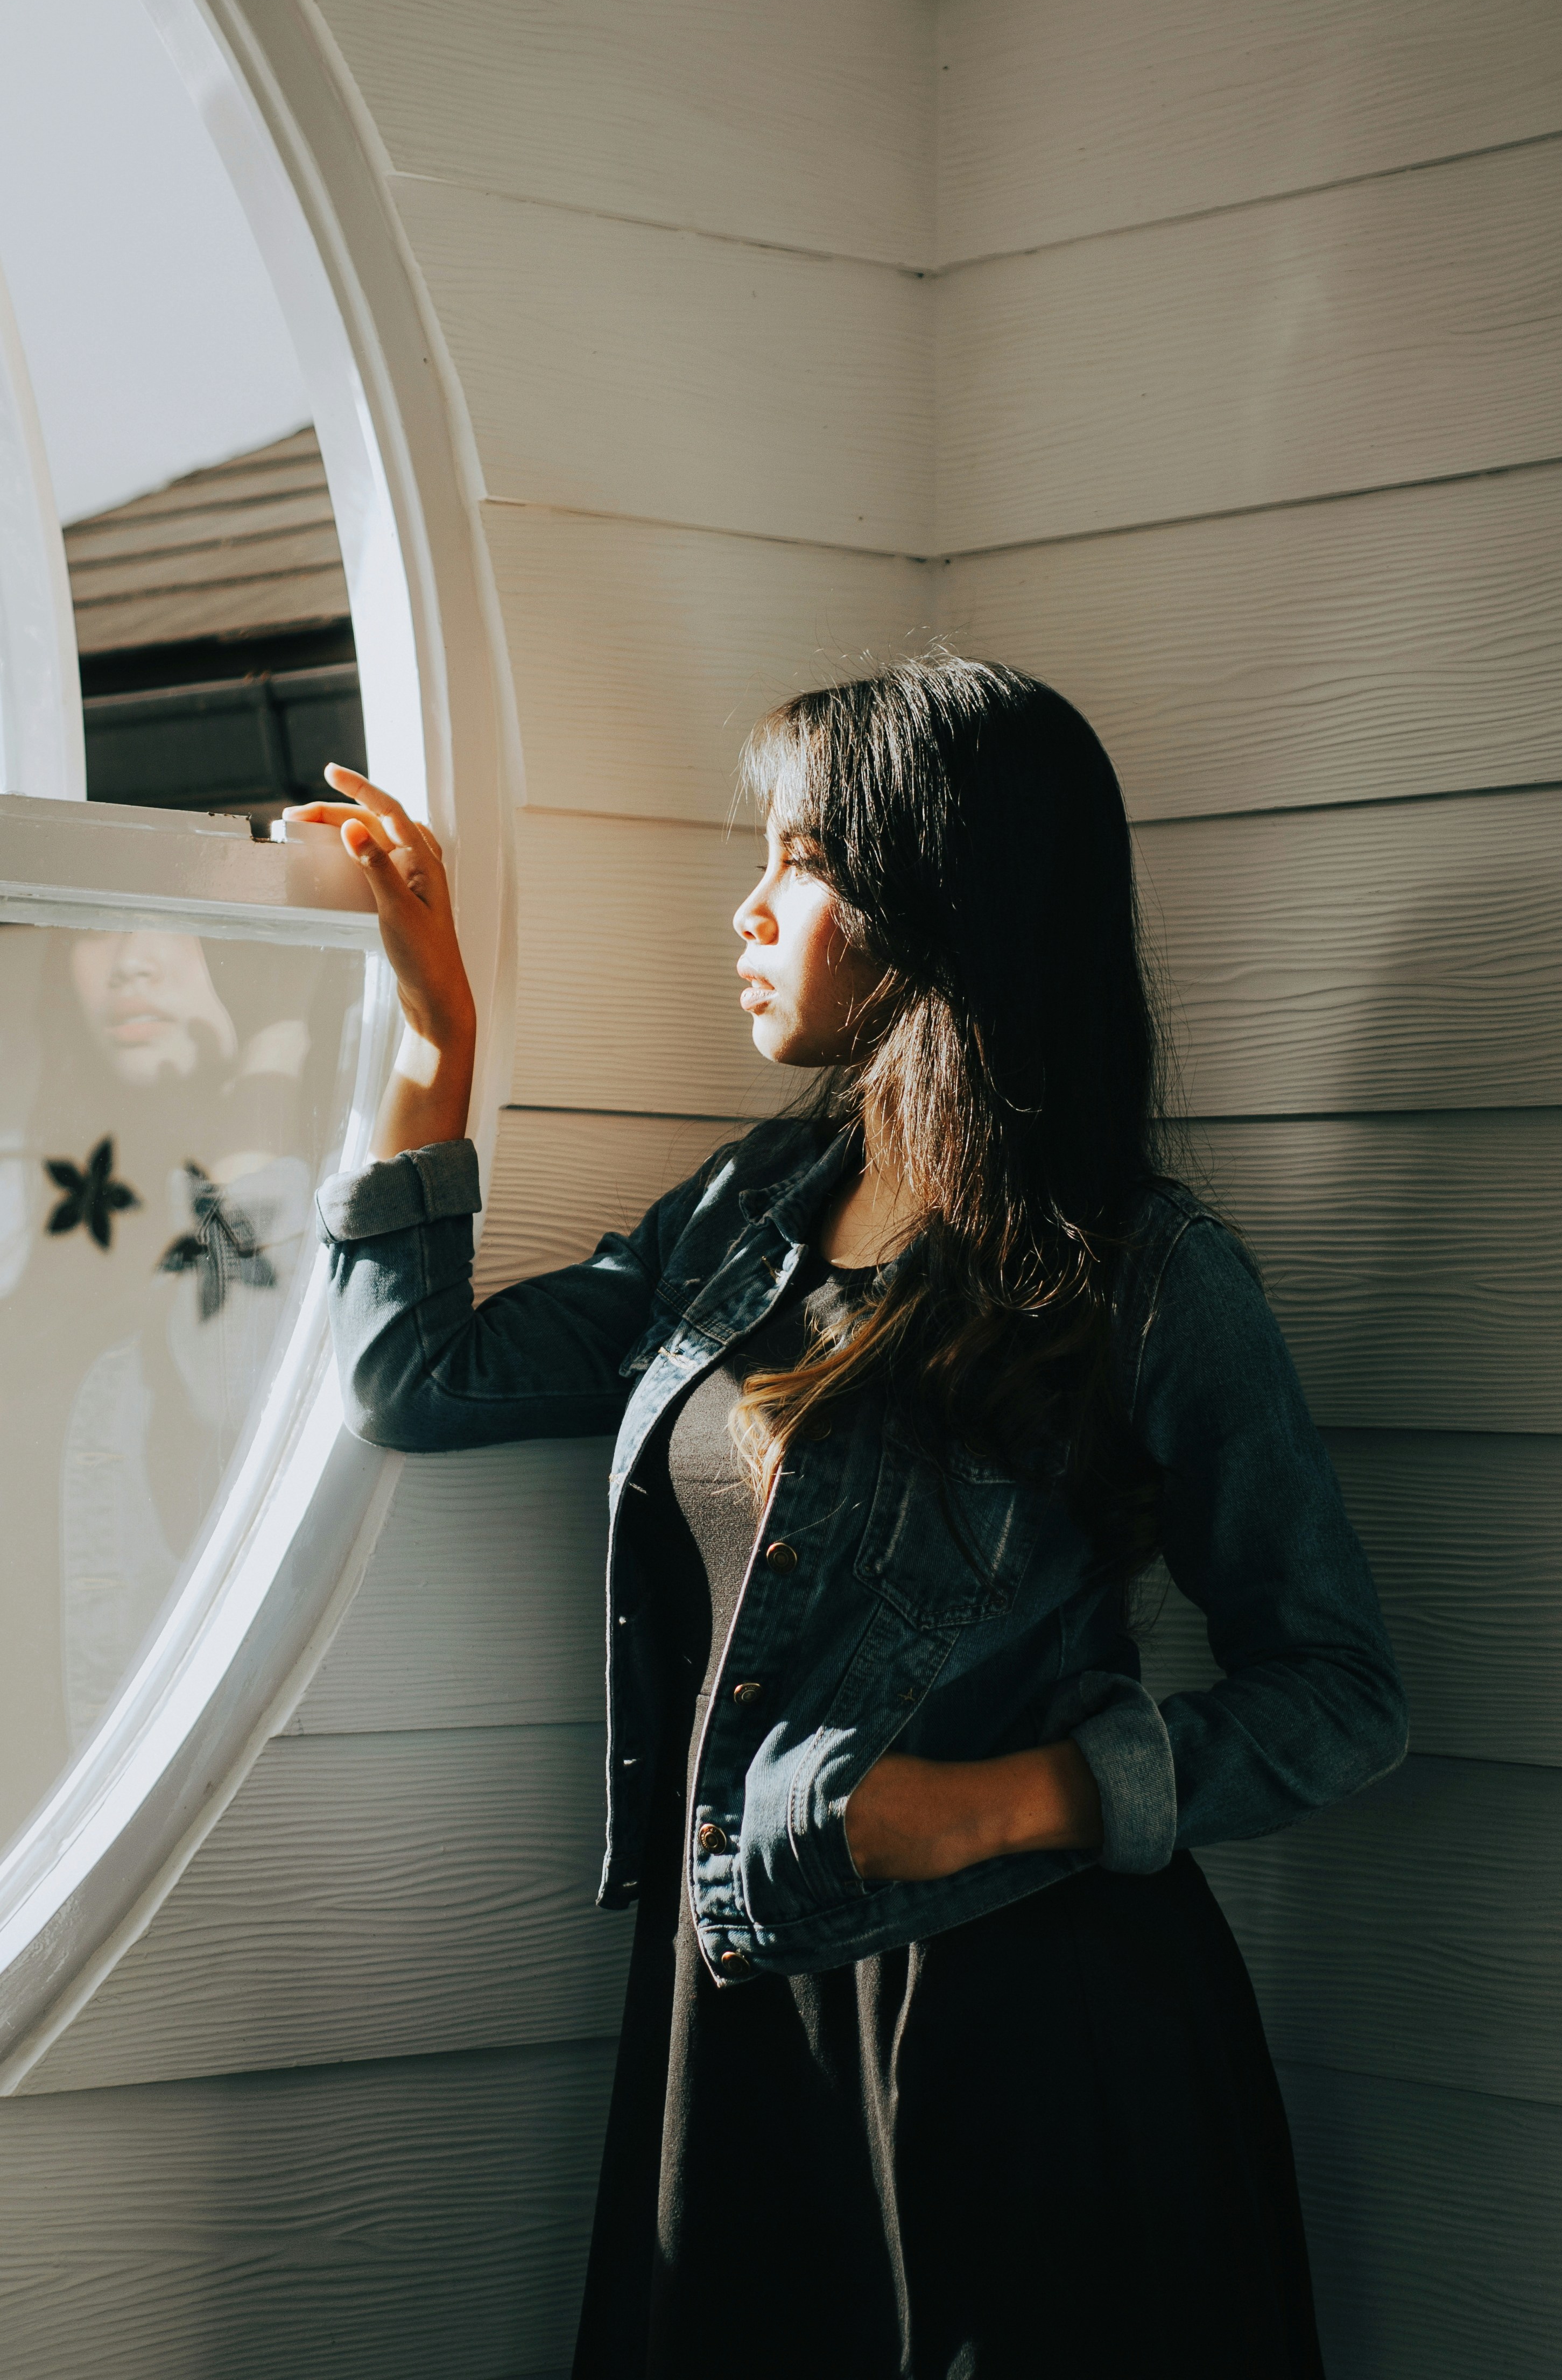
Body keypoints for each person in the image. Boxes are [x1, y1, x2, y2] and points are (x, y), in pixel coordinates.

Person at [295, 658, 1408, 2380]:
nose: (747, 908)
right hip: (740, 2015)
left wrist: (996, 1803)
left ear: (942, 901)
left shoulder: (1143, 1276)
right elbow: (418, 1378)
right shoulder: (746, 1213)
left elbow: (1339, 1691)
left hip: (1026, 2034)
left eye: (802, 861)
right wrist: (437, 1032)